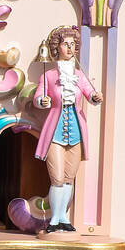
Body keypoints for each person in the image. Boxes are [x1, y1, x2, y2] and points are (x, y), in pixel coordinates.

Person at [33, 24, 102, 232]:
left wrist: (95, 97)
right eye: (65, 44)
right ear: (57, 47)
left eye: (73, 44)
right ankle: (54, 219)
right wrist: (41, 101)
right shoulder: (49, 76)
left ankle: (63, 216)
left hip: (76, 133)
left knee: (69, 178)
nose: (70, 48)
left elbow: (90, 93)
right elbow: (39, 96)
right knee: (57, 177)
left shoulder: (79, 76)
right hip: (55, 133)